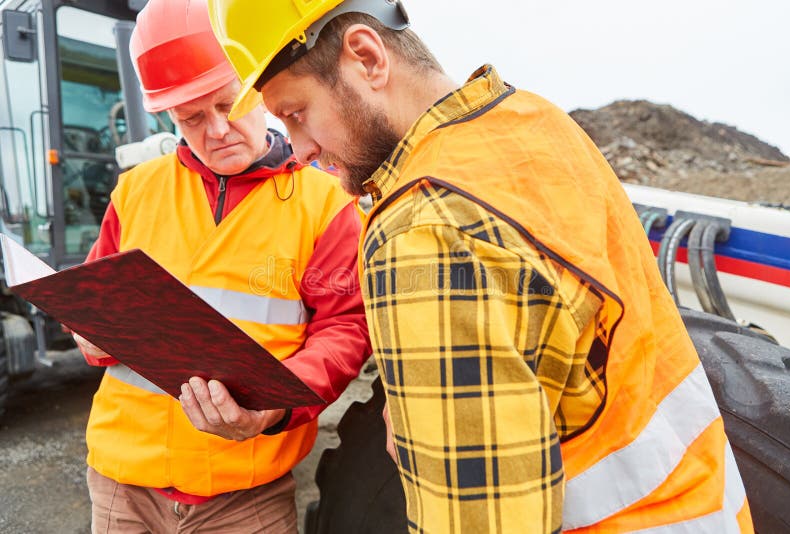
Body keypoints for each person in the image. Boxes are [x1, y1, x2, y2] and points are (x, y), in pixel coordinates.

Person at [207, 1, 755, 532]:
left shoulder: (422, 230)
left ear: (368, 57)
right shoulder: (534, 121)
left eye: (296, 114)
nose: (298, 150)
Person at [72, 0, 371, 531]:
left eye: (229, 105)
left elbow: (345, 326)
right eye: (191, 118)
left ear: (260, 90)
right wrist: (86, 331)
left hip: (244, 494)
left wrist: (275, 405)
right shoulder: (137, 190)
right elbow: (92, 296)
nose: (217, 130)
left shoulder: (325, 202)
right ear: (169, 115)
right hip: (123, 480)